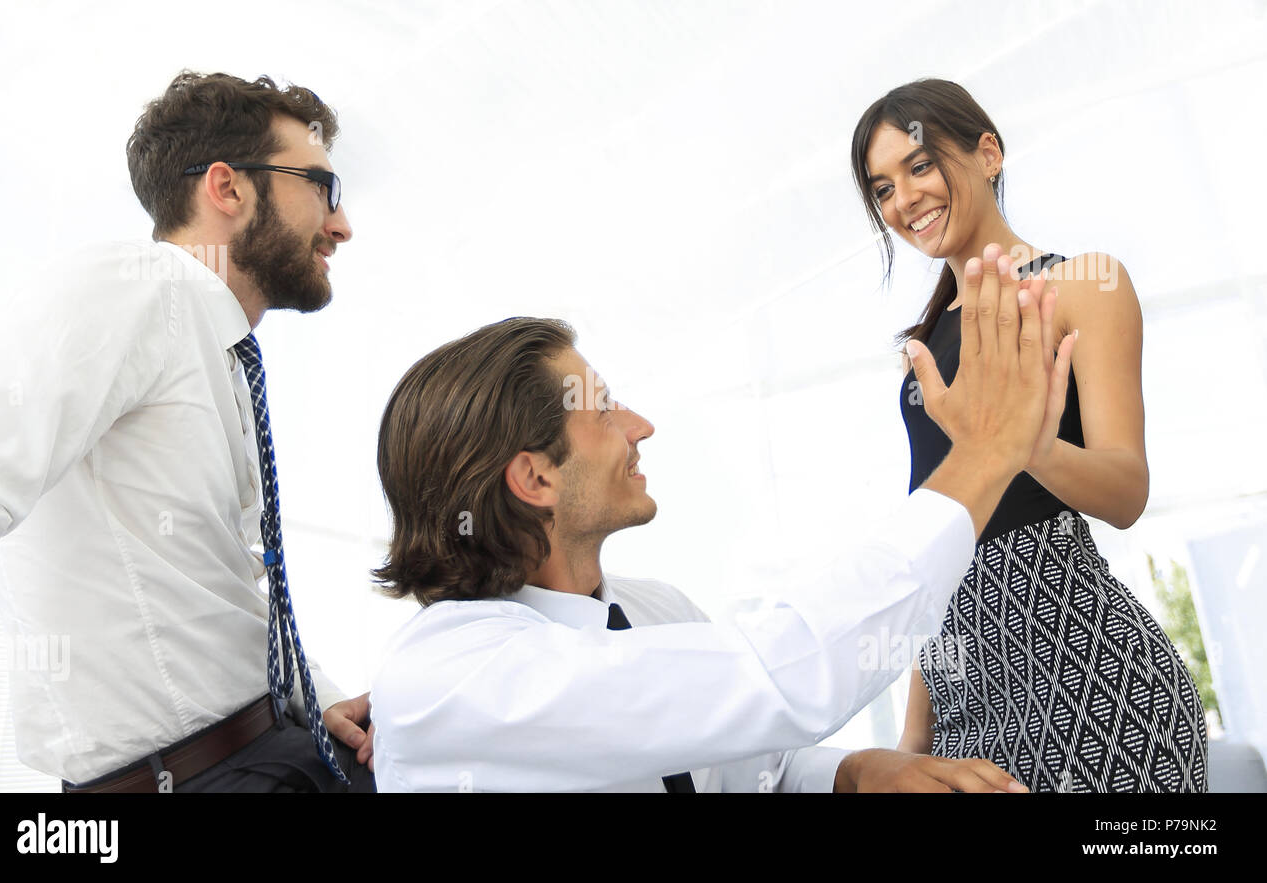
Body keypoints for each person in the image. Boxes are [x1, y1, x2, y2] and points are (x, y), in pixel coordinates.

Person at [368, 248, 1075, 791]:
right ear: (535, 477)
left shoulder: (655, 608)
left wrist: (853, 772)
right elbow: (781, 675)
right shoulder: (450, 675)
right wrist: (982, 457)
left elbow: (744, 754)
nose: (639, 425)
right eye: (604, 409)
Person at [0, 71, 375, 792]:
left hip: (265, 751)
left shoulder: (217, 345)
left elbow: (211, 578)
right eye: (320, 187)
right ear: (227, 188)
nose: (339, 225)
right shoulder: (133, 286)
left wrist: (314, 694)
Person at [850, 77, 1207, 792]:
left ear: (989, 153)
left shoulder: (1085, 284)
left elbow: (1125, 489)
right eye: (881, 187)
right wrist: (914, 734)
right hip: (964, 691)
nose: (903, 199)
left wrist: (1025, 445)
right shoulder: (924, 345)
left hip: (1095, 687)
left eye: (919, 165)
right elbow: (936, 538)